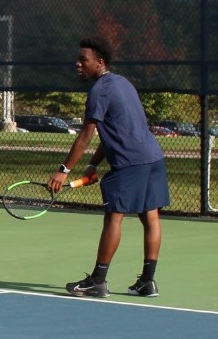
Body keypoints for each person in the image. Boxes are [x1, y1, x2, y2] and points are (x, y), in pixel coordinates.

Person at [49, 37, 170, 298]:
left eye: (83, 60)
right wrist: (92, 165)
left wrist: (63, 170)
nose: (78, 64)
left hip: (130, 163)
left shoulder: (99, 91)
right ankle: (147, 282)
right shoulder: (123, 83)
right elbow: (114, 131)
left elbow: (86, 135)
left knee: (114, 218)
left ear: (99, 62)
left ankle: (98, 281)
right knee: (150, 217)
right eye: (78, 59)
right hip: (153, 158)